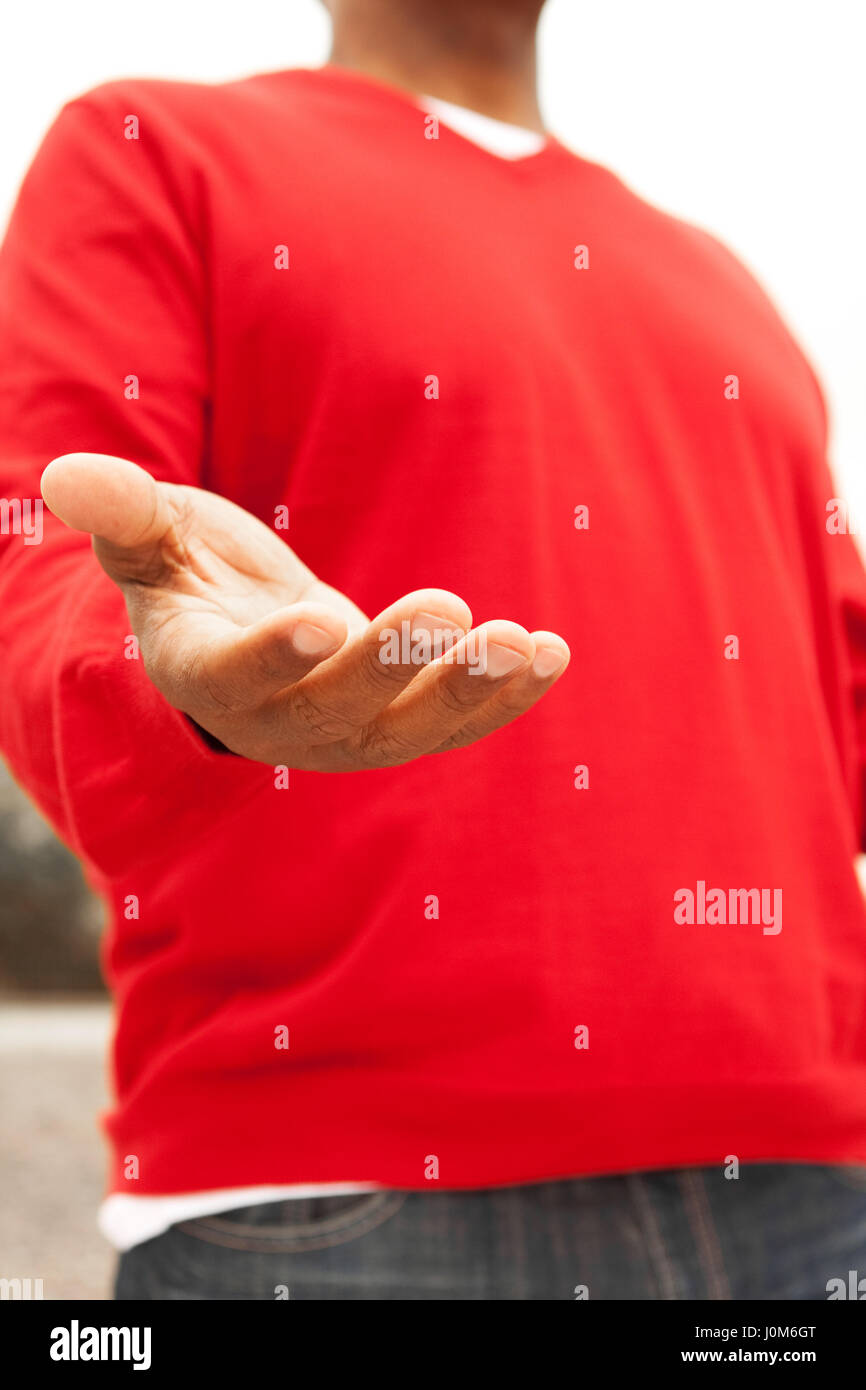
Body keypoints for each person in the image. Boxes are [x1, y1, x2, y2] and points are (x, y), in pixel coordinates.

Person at [1, 0, 866, 1301]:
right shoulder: (155, 148)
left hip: (805, 1189)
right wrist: (181, 682)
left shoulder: (723, 283)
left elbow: (827, 702)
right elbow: (48, 553)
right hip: (333, 1202)